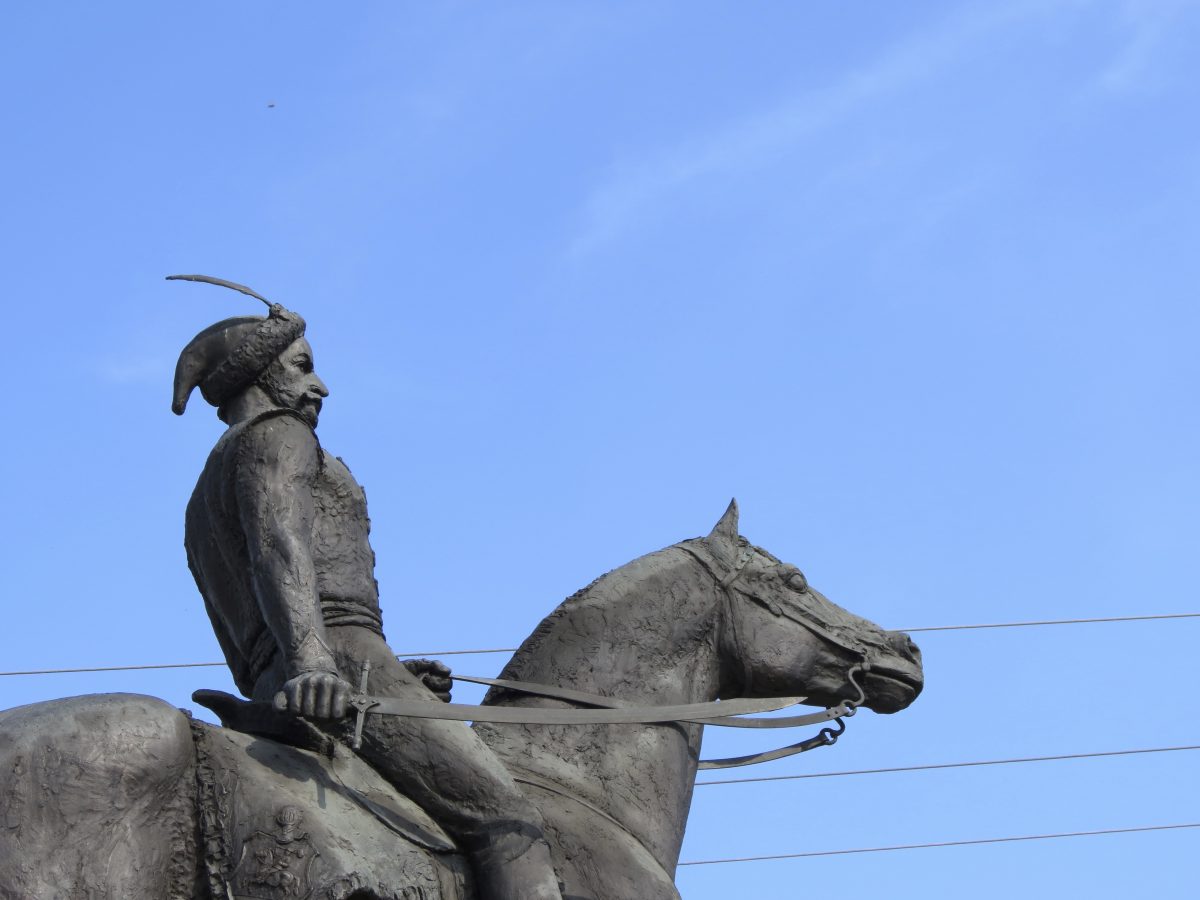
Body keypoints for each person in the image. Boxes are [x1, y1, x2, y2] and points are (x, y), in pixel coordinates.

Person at [172, 287, 563, 900]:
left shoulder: (198, 501)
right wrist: (316, 661)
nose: (320, 386)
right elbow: (280, 545)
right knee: (509, 825)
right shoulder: (279, 434)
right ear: (259, 372)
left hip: (283, 686)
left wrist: (388, 675)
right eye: (302, 366)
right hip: (337, 669)